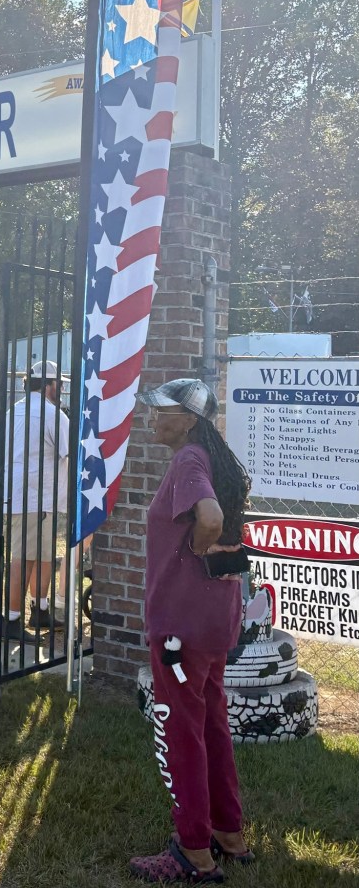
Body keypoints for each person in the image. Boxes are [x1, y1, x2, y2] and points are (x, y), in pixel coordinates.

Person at [128, 378, 256, 884]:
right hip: (211, 621)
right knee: (210, 727)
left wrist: (200, 550)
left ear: (188, 421)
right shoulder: (213, 459)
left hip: (180, 625)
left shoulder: (187, 460)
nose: (153, 417)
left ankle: (194, 853)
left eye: (162, 410)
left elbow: (210, 517)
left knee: (181, 733)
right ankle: (230, 836)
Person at [4, 360, 68, 643]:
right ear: (49, 385)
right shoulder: (52, 415)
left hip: (27, 495)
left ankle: (39, 609)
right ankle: (12, 621)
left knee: (42, 556)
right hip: (36, 496)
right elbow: (71, 452)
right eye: (59, 384)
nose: (61, 389)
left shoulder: (13, 412)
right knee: (24, 558)